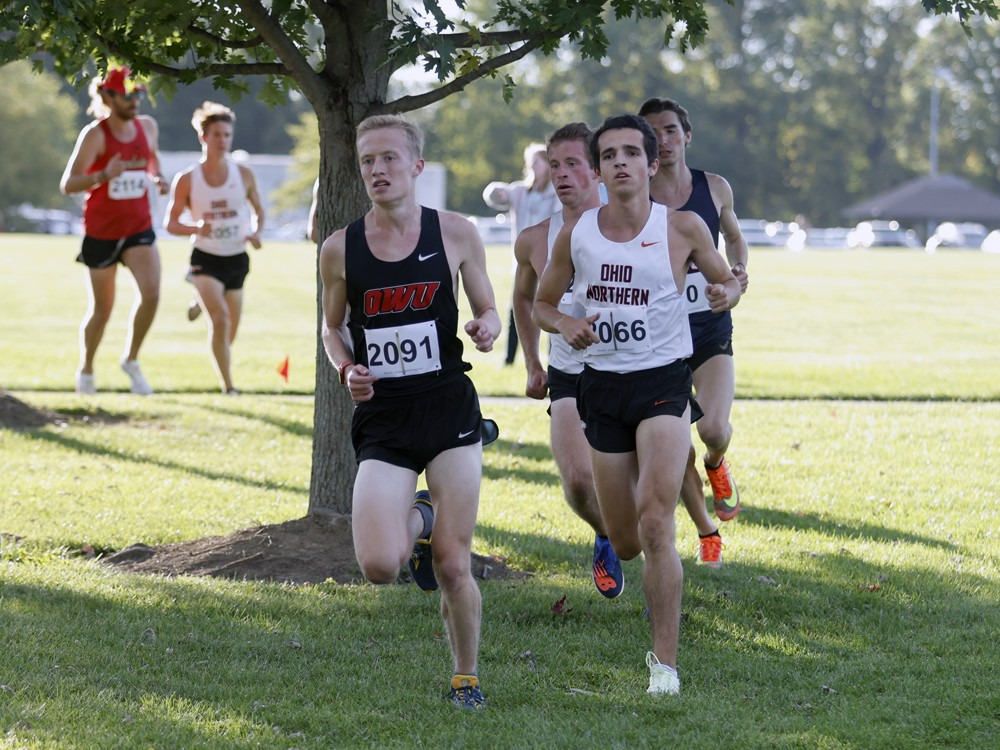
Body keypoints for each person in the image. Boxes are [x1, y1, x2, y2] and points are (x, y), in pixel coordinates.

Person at [533, 114, 740, 695]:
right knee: (627, 539)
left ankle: (665, 667)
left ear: (652, 164)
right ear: (599, 170)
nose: (620, 162)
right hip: (603, 388)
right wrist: (567, 322)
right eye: (609, 154)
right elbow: (543, 306)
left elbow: (728, 284)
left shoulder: (683, 227)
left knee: (655, 523)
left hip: (664, 386)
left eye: (631, 153)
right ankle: (614, 546)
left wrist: (728, 291)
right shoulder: (578, 236)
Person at [319, 114, 501, 709]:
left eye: (389, 158)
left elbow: (489, 310)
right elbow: (331, 329)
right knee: (378, 564)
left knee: (454, 562)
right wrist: (347, 369)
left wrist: (484, 327)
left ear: (416, 166)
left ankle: (465, 678)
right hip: (386, 420)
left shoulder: (455, 233)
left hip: (448, 409)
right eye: (368, 160)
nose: (377, 169)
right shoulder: (339, 248)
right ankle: (418, 519)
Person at [511, 123, 624, 599]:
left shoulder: (636, 225)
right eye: (554, 165)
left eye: (573, 164)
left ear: (597, 171)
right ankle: (609, 535)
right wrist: (533, 362)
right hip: (569, 373)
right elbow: (522, 298)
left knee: (644, 486)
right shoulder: (536, 238)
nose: (561, 175)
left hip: (633, 369)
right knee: (579, 482)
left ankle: (653, 552)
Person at [639, 98, 750, 558]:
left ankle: (718, 463)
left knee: (713, 428)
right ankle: (706, 530)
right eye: (652, 133)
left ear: (686, 136)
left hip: (708, 327)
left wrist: (738, 272)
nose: (661, 141)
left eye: (669, 130)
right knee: (672, 448)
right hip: (658, 337)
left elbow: (734, 237)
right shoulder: (632, 195)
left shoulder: (715, 187)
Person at [59, 65, 169, 396]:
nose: (135, 100)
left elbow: (152, 164)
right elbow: (68, 185)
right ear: (108, 97)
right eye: (126, 94)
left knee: (151, 294)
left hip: (139, 226)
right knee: (102, 309)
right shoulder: (95, 134)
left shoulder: (147, 127)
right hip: (102, 231)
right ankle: (87, 368)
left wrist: (158, 179)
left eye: (138, 93)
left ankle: (131, 359)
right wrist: (102, 175)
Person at [164, 102, 265, 395]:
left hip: (236, 257)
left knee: (229, 329)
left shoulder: (243, 174)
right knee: (219, 320)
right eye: (217, 134)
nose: (222, 141)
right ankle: (228, 387)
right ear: (203, 137)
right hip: (205, 257)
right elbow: (170, 224)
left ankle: (199, 299)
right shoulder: (187, 179)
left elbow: (259, 210)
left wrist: (256, 232)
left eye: (227, 135)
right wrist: (196, 228)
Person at [483, 143, 560, 365]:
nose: (533, 166)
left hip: (550, 261)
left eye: (538, 161)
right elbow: (495, 196)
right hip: (522, 261)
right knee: (517, 310)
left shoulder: (556, 192)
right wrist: (496, 191)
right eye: (531, 162)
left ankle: (553, 358)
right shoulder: (520, 191)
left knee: (552, 309)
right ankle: (510, 359)